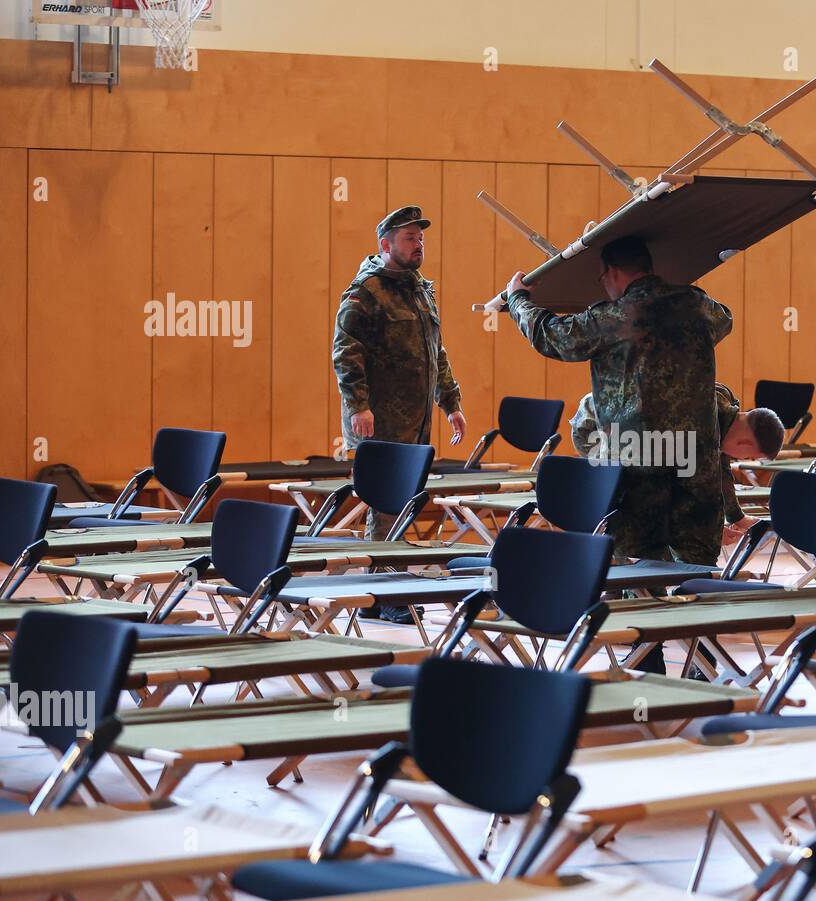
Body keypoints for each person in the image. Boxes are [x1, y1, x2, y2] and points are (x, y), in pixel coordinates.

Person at [503, 235, 733, 566]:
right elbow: (724, 320)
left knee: (636, 561)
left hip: (638, 456)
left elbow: (550, 336)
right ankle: (691, 612)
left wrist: (517, 300)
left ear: (611, 273)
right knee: (697, 560)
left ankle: (641, 615)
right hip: (695, 455)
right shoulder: (697, 305)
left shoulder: (614, 317)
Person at [332, 205, 467, 622]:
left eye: (420, 237)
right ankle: (385, 595)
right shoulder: (367, 291)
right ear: (385, 245)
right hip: (381, 419)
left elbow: (435, 351)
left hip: (416, 418)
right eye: (409, 239)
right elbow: (345, 351)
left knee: (402, 501)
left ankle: (384, 592)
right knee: (386, 504)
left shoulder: (420, 288)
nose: (418, 244)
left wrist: (451, 402)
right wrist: (359, 406)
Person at [570, 384, 785, 545]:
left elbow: (719, 467)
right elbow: (677, 487)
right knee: (635, 501)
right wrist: (708, 529)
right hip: (594, 427)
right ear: (745, 442)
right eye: (747, 456)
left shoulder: (725, 408)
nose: (741, 460)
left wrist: (736, 517)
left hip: (621, 418)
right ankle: (619, 579)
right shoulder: (697, 425)